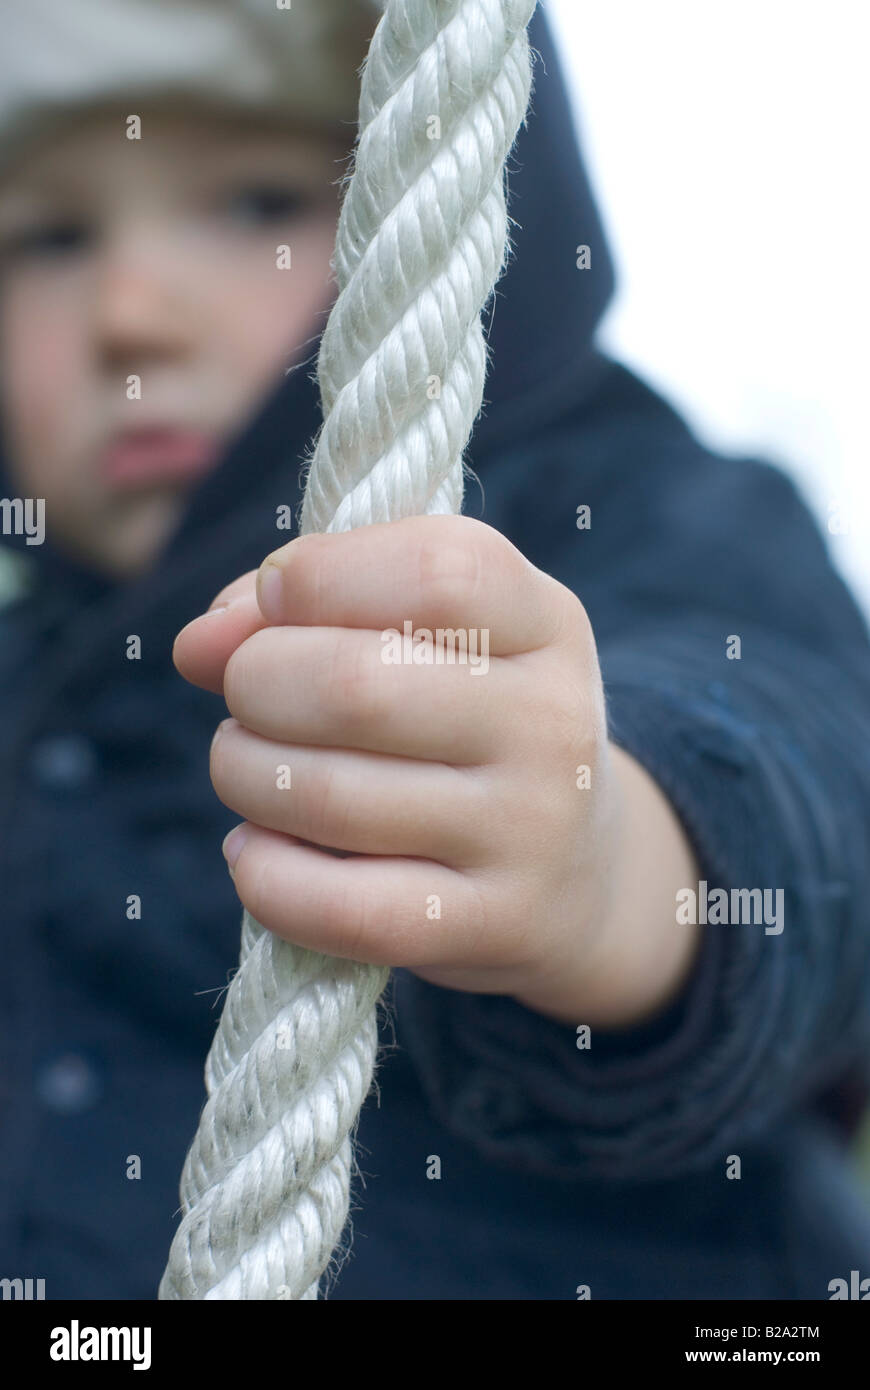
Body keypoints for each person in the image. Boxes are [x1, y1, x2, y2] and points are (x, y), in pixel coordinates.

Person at [1, 1, 868, 1302]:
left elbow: (802, 761)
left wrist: (611, 859)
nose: (133, 314)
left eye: (253, 203)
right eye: (49, 236)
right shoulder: (29, 668)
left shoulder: (628, 502)